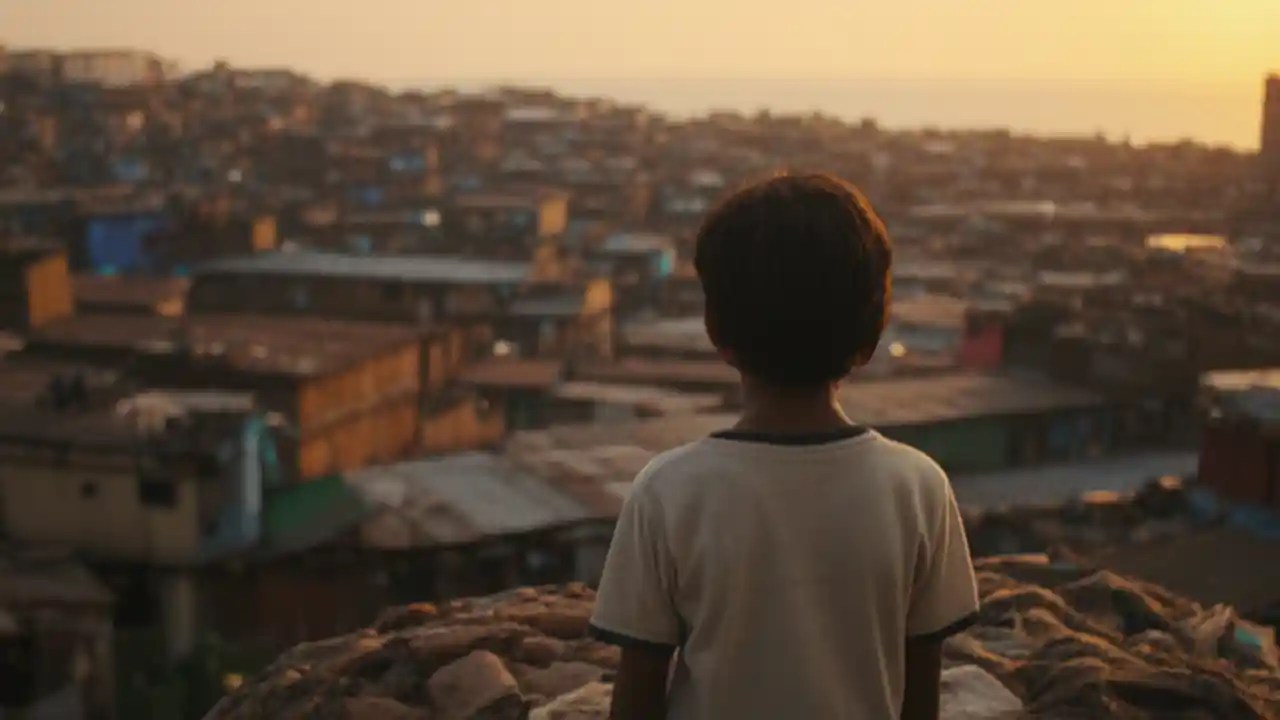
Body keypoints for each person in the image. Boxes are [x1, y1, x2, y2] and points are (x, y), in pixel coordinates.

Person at [588, 172, 979, 719]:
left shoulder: (670, 490)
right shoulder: (918, 488)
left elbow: (637, 699)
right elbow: (920, 698)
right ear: (871, 335)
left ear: (716, 332)